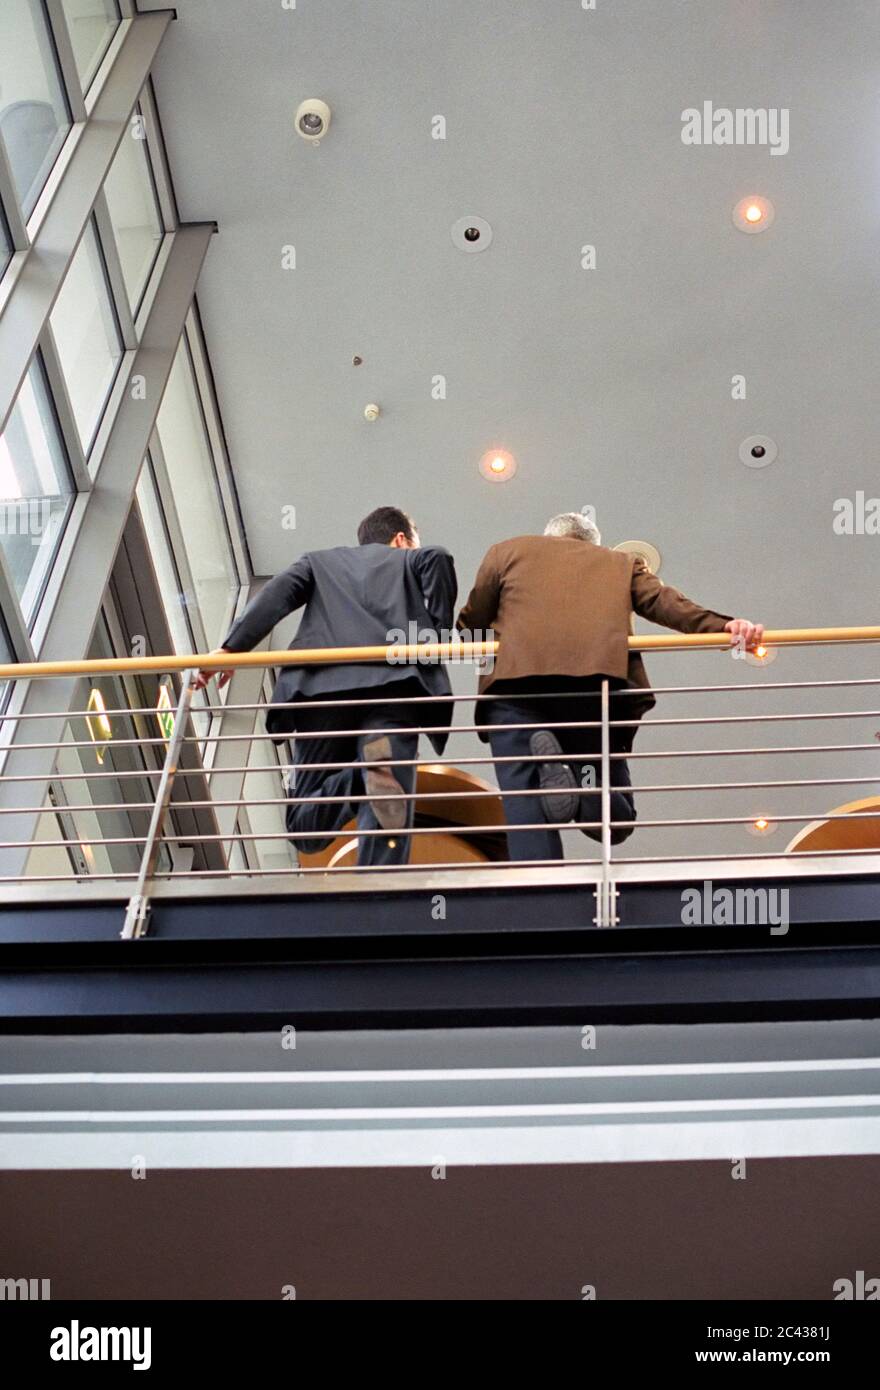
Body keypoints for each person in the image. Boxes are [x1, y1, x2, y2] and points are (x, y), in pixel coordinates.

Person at [456, 511, 763, 862]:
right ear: (592, 543)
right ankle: (583, 785)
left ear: (549, 536)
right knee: (617, 823)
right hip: (594, 692)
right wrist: (723, 627)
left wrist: (479, 636)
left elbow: (471, 621)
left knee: (525, 807)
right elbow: (665, 603)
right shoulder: (619, 562)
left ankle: (539, 892)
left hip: (514, 690)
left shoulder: (507, 552)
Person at [196, 507, 457, 867]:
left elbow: (277, 596)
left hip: (322, 691)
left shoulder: (319, 563)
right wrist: (437, 637)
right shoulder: (409, 562)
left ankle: (361, 775)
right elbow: (438, 557)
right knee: (386, 789)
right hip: (395, 690)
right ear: (401, 540)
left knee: (305, 829)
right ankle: (382, 885)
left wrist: (231, 647)